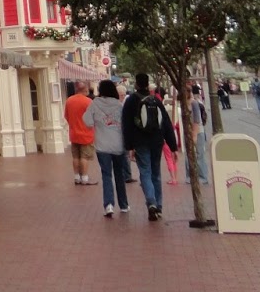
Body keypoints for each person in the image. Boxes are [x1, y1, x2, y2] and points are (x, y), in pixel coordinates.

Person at [122, 71, 178, 221]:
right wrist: (173, 146)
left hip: (140, 142)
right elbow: (166, 123)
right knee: (156, 174)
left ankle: (151, 202)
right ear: (147, 85)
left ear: (136, 84)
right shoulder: (155, 100)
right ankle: (158, 207)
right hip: (157, 141)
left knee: (145, 173)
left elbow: (126, 125)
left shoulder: (131, 101)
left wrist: (129, 146)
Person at [84, 79, 128, 217]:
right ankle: (124, 204)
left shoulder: (94, 104)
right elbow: (125, 124)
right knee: (119, 175)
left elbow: (87, 121)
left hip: (102, 145)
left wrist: (99, 123)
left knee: (106, 175)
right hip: (118, 145)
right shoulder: (119, 105)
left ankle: (109, 205)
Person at [64, 81, 96, 186]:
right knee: (84, 157)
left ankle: (77, 177)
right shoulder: (88, 102)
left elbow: (66, 116)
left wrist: (73, 125)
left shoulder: (69, 101)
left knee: (76, 157)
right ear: (85, 90)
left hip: (74, 133)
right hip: (86, 133)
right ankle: (85, 178)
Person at [190, 84, 210, 185]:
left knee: (200, 154)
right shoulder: (198, 102)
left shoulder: (195, 103)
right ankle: (197, 176)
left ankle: (203, 177)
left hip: (199, 131)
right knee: (197, 154)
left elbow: (197, 120)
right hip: (198, 131)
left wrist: (194, 134)